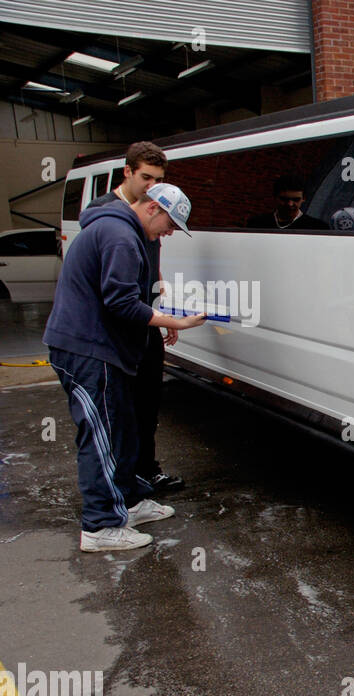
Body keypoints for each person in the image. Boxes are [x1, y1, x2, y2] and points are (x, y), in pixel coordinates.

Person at [44, 184, 206, 552]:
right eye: (170, 223)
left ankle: (129, 502)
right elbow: (120, 301)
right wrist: (173, 321)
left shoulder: (116, 230)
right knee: (100, 436)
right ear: (152, 207)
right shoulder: (120, 236)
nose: (169, 232)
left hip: (101, 350)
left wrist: (161, 316)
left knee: (123, 429)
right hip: (87, 350)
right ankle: (99, 527)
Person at [85, 141, 185, 495]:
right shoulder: (106, 215)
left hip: (145, 319)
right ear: (127, 172)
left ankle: (146, 471)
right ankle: (120, 482)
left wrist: (161, 314)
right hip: (116, 325)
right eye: (145, 177)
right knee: (119, 409)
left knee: (147, 401)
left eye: (158, 179)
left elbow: (150, 268)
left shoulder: (152, 211)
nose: (151, 185)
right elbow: (109, 285)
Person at [247, 174, 328, 230]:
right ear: (275, 197)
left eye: (296, 200)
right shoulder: (256, 224)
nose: (290, 204)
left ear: (304, 199)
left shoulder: (317, 227)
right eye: (284, 199)